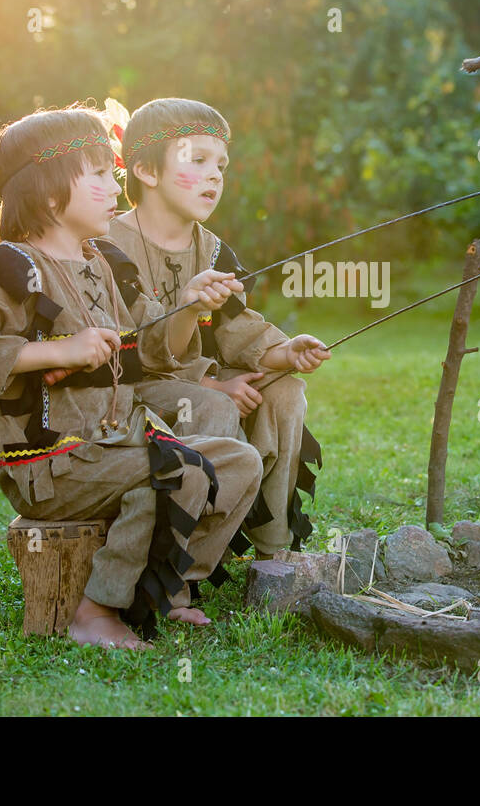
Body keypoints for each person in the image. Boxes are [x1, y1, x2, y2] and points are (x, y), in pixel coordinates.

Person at [0, 104, 262, 650]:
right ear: (50, 194)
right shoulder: (14, 267)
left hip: (116, 443)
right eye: (100, 177)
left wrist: (186, 306)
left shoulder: (100, 264)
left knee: (237, 461)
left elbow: (148, 351)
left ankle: (166, 590)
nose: (116, 188)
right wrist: (57, 350)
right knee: (171, 471)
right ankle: (94, 611)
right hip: (54, 464)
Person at [105, 97, 330, 559]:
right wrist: (208, 381)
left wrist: (287, 354)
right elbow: (130, 354)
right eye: (199, 160)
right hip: (129, 392)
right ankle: (184, 553)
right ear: (147, 171)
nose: (215, 175)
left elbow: (235, 329)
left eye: (221, 165)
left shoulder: (212, 250)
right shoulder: (106, 247)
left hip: (202, 379)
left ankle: (274, 549)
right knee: (208, 403)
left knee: (287, 391)